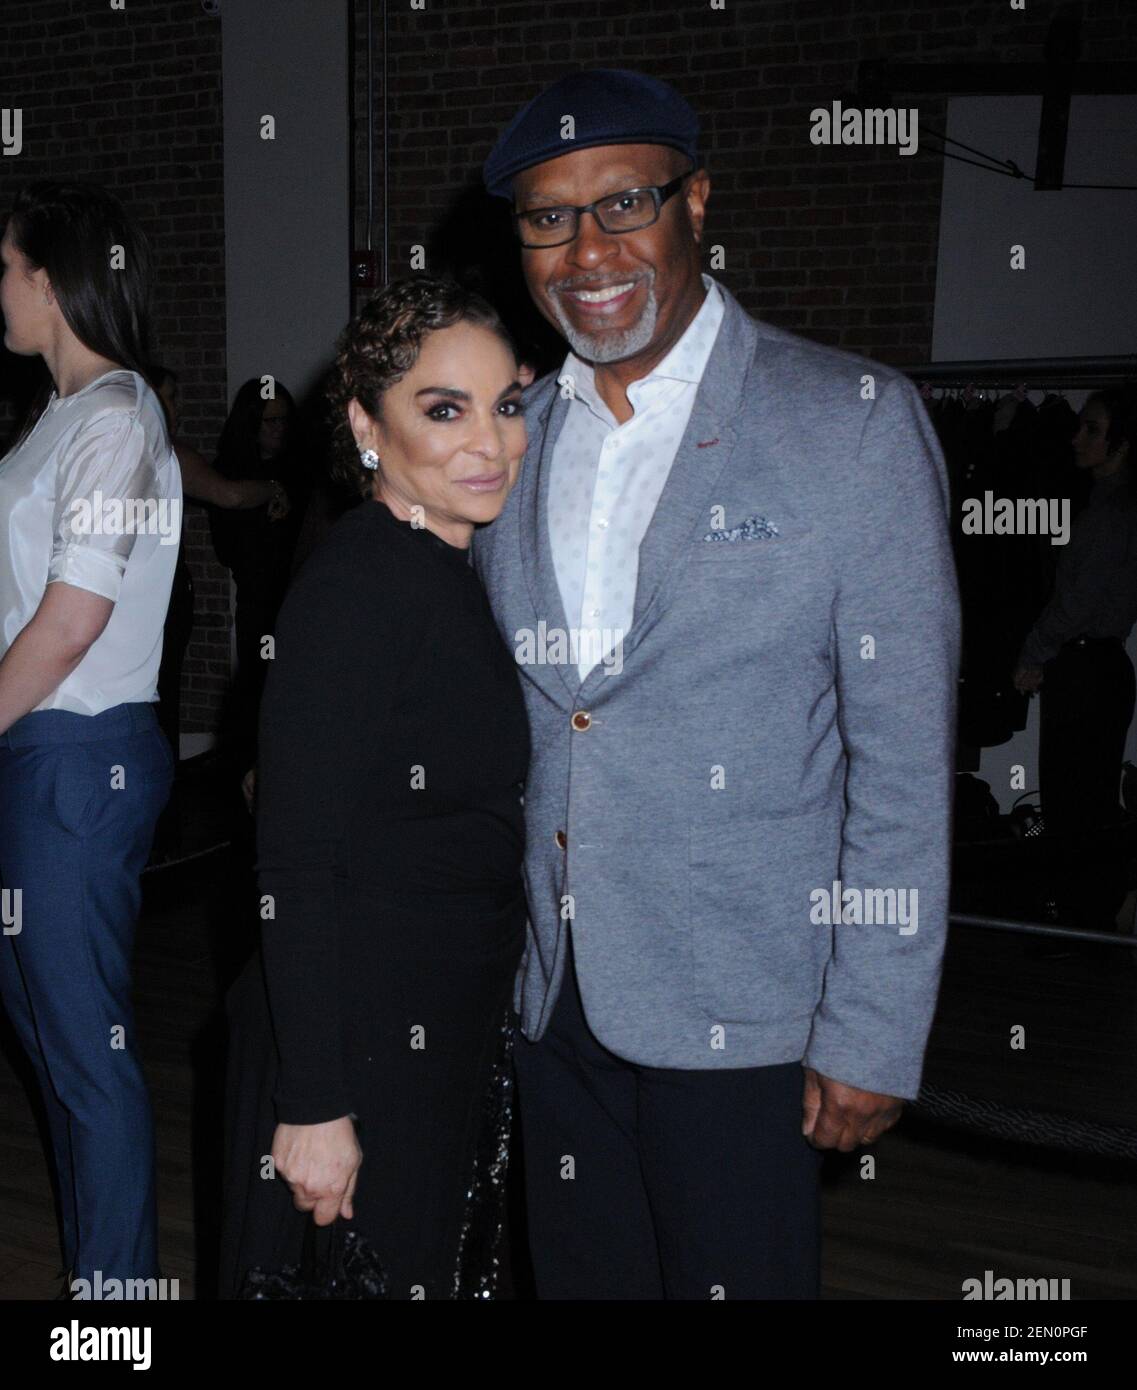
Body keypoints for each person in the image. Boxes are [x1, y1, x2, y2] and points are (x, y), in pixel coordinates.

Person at [474, 68, 961, 1299]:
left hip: (752, 1012)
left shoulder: (851, 422)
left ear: (696, 204)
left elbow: (902, 763)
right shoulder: (510, 436)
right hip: (552, 999)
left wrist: (874, 1026)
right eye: (548, 217)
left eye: (623, 203)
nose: (588, 250)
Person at [219, 275, 530, 1299]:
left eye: (506, 405)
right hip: (356, 1036)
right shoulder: (361, 584)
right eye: (444, 409)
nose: (489, 442)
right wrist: (313, 1102)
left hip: (432, 1018)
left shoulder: (446, 568)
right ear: (365, 426)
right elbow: (292, 860)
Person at [0, 180, 180, 1295]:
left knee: (87, 1060)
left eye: (6, 266)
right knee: (56, 1044)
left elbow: (71, 622)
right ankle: (97, 1289)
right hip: (41, 751)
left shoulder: (115, 415)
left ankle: (117, 1323)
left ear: (52, 281)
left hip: (77, 755)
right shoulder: (66, 414)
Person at [148, 364, 285, 858]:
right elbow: (229, 496)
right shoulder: (158, 449)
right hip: (148, 599)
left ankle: (157, 821)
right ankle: (156, 821)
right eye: (168, 397)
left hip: (157, 597)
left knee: (157, 702)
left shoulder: (145, 449)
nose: (177, 409)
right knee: (154, 705)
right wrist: (274, 488)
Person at [1013, 386, 1137, 929]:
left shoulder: (1110, 512)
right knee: (1087, 800)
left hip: (1086, 667)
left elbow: (1076, 604)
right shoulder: (1111, 504)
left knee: (1073, 803)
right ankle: (1090, 917)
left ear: (1121, 443)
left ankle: (1079, 920)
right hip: (1098, 667)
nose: (1077, 437)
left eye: (1093, 429)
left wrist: (1032, 652)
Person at [208, 379, 305, 781]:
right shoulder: (231, 472)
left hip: (303, 599)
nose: (280, 429)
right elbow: (228, 549)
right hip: (259, 601)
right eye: (270, 421)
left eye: (285, 420)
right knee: (257, 690)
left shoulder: (303, 469)